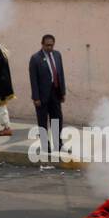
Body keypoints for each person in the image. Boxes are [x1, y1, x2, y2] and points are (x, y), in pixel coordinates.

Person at [28, 34, 65, 168]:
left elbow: (61, 74)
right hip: (42, 95)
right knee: (43, 121)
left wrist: (62, 92)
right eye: (47, 45)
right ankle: (45, 145)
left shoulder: (57, 55)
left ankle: (58, 144)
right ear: (42, 44)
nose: (50, 47)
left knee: (57, 118)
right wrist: (36, 97)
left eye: (51, 45)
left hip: (55, 93)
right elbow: (33, 79)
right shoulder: (35, 58)